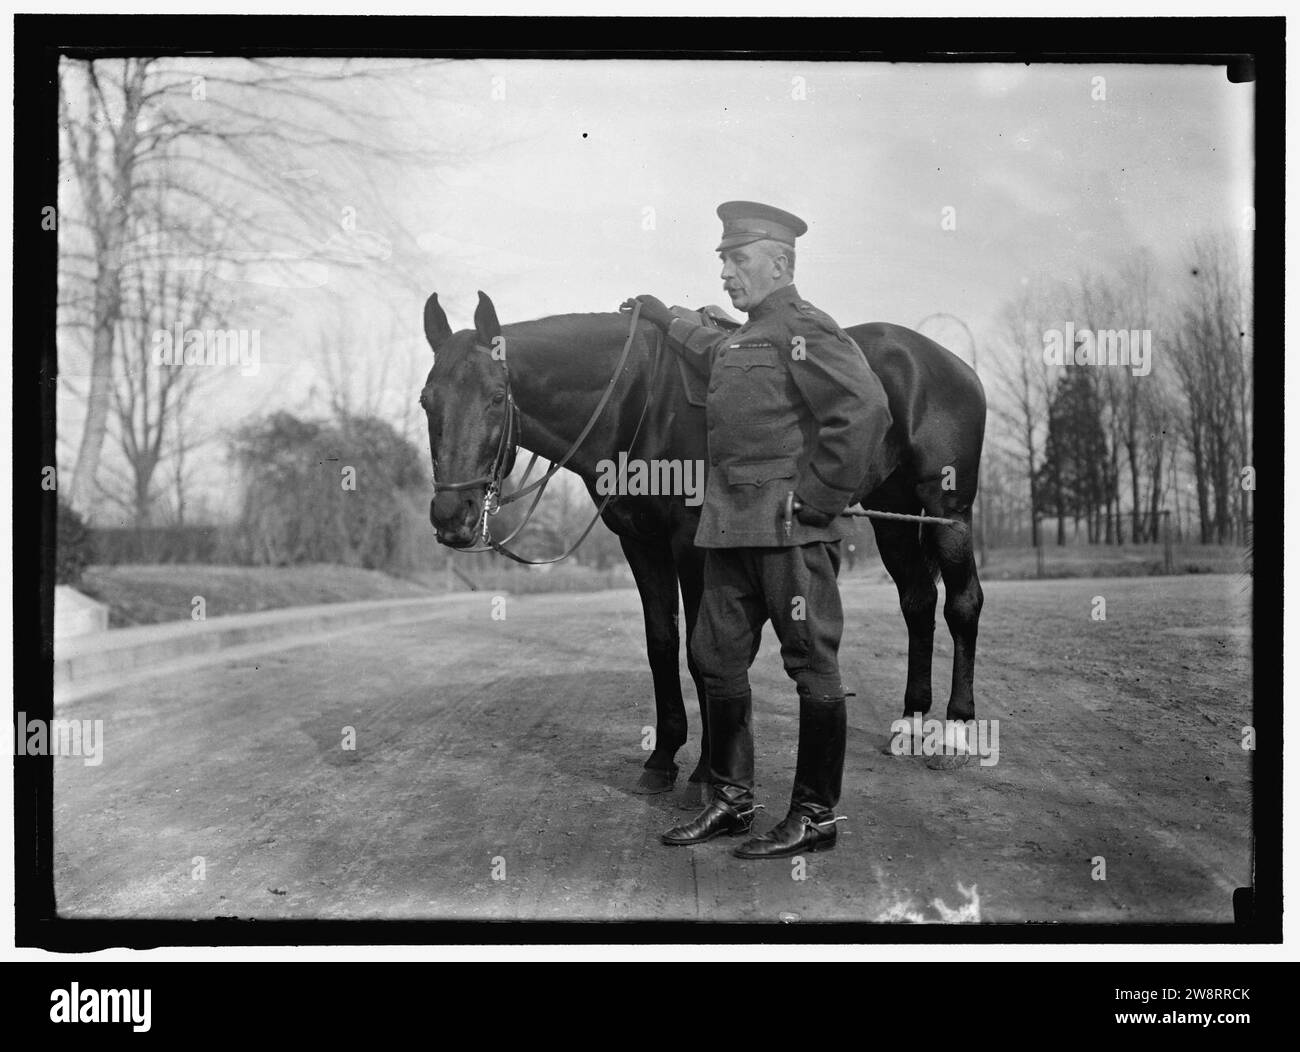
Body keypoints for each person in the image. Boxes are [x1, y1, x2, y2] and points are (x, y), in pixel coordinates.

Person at [621, 201, 892, 859]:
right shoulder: (745, 337)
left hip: (791, 536)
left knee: (812, 669)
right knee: (716, 661)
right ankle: (732, 799)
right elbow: (711, 345)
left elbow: (864, 410)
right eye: (723, 262)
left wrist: (821, 499)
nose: (726, 276)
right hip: (728, 534)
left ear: (778, 261)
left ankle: (815, 814)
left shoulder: (805, 328)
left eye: (737, 261)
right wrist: (665, 315)